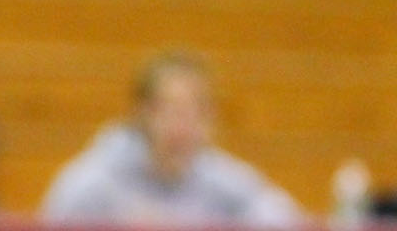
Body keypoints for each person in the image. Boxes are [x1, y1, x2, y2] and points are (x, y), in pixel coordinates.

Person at [40, 50, 299, 228]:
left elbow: (286, 220)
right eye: (170, 110)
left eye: (196, 112)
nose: (183, 125)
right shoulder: (92, 184)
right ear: (142, 113)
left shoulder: (227, 183)